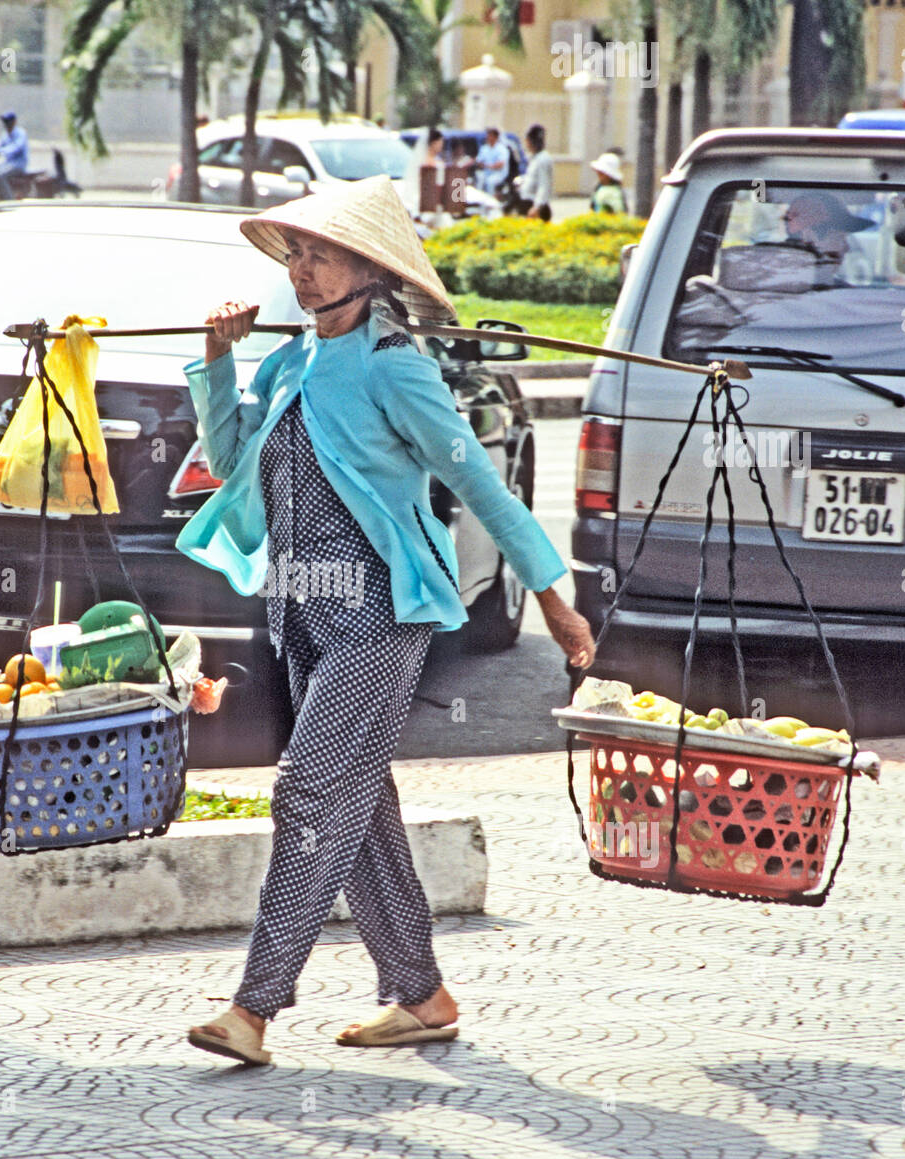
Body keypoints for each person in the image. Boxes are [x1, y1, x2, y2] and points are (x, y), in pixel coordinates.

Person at [177, 175, 596, 1066]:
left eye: (321, 254)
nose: (302, 270)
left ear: (370, 269)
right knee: (358, 804)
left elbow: (482, 482)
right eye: (297, 253)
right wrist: (217, 359)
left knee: (308, 793)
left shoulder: (395, 366)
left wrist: (554, 597)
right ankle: (421, 994)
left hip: (377, 616)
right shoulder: (291, 363)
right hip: (298, 612)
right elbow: (225, 459)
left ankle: (253, 1009)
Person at [0, 110, 29, 200]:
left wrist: (0, 151)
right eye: (4, 121)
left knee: (0, 175)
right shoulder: (5, 135)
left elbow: (16, 147)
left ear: (14, 122)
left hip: (18, 164)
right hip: (8, 164)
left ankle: (9, 200)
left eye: (8, 121)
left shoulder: (21, 133)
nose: (6, 124)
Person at [516, 124, 554, 221]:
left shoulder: (543, 159)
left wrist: (537, 207)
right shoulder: (533, 158)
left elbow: (544, 185)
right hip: (526, 202)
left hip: (535, 206)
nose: (526, 144)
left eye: (528, 140)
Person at [474, 126, 511, 199]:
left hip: (499, 174)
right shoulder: (484, 148)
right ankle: (479, 201)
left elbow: (500, 165)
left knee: (490, 181)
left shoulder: (502, 149)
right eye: (488, 135)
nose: (488, 137)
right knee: (479, 177)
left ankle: (490, 202)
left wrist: (487, 166)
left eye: (490, 135)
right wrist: (480, 164)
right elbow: (479, 160)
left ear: (495, 137)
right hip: (486, 172)